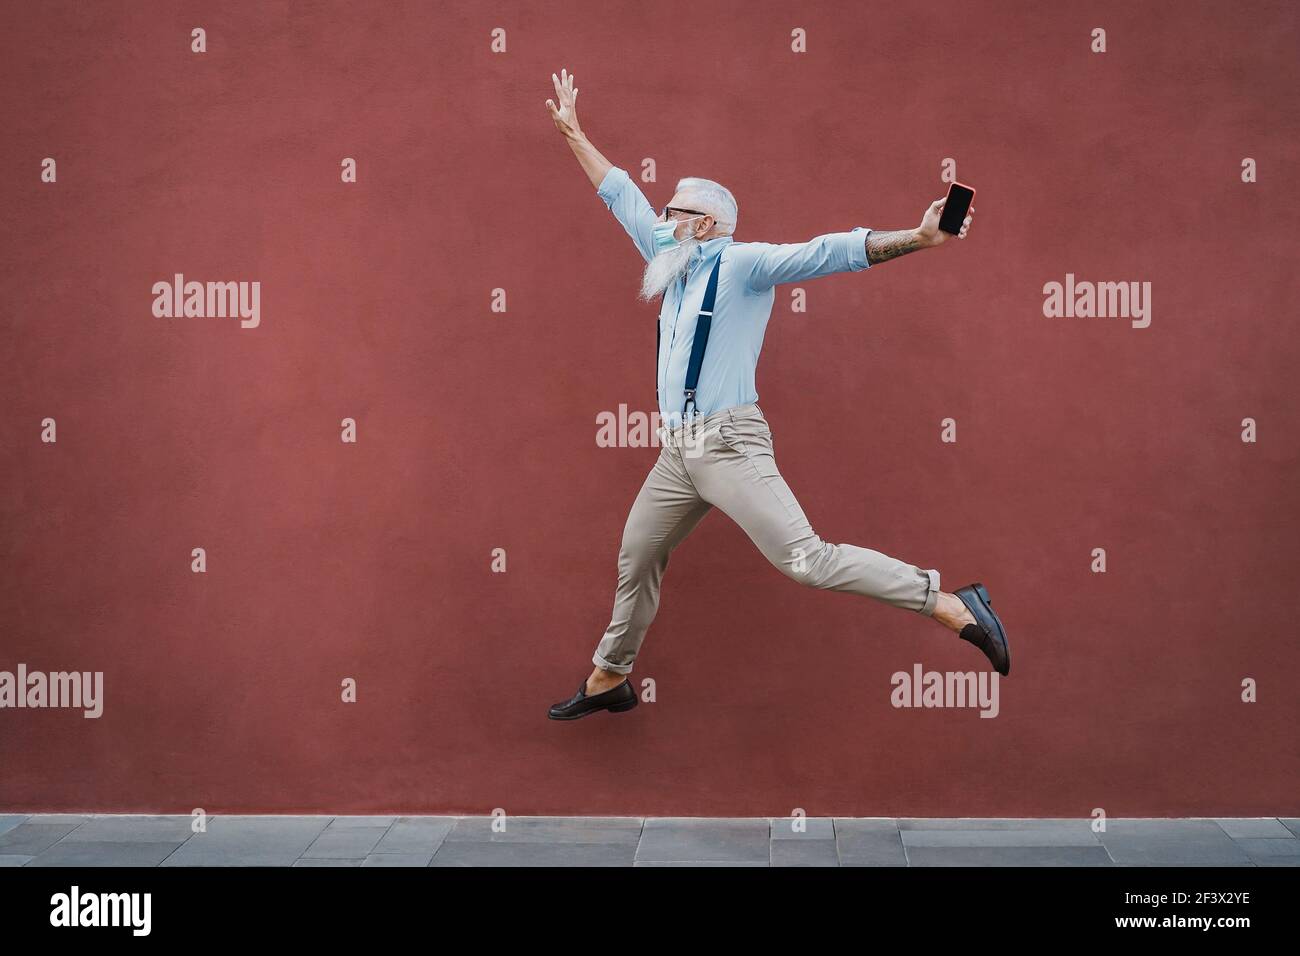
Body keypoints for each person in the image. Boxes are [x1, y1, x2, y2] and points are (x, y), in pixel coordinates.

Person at [543, 69, 1009, 721]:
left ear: (705, 224)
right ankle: (608, 677)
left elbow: (828, 254)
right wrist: (573, 132)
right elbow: (617, 193)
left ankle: (949, 602)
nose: (662, 219)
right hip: (680, 454)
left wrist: (920, 237)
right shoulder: (669, 259)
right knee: (639, 552)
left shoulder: (742, 265)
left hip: (731, 445)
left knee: (807, 561)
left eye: (675, 212)